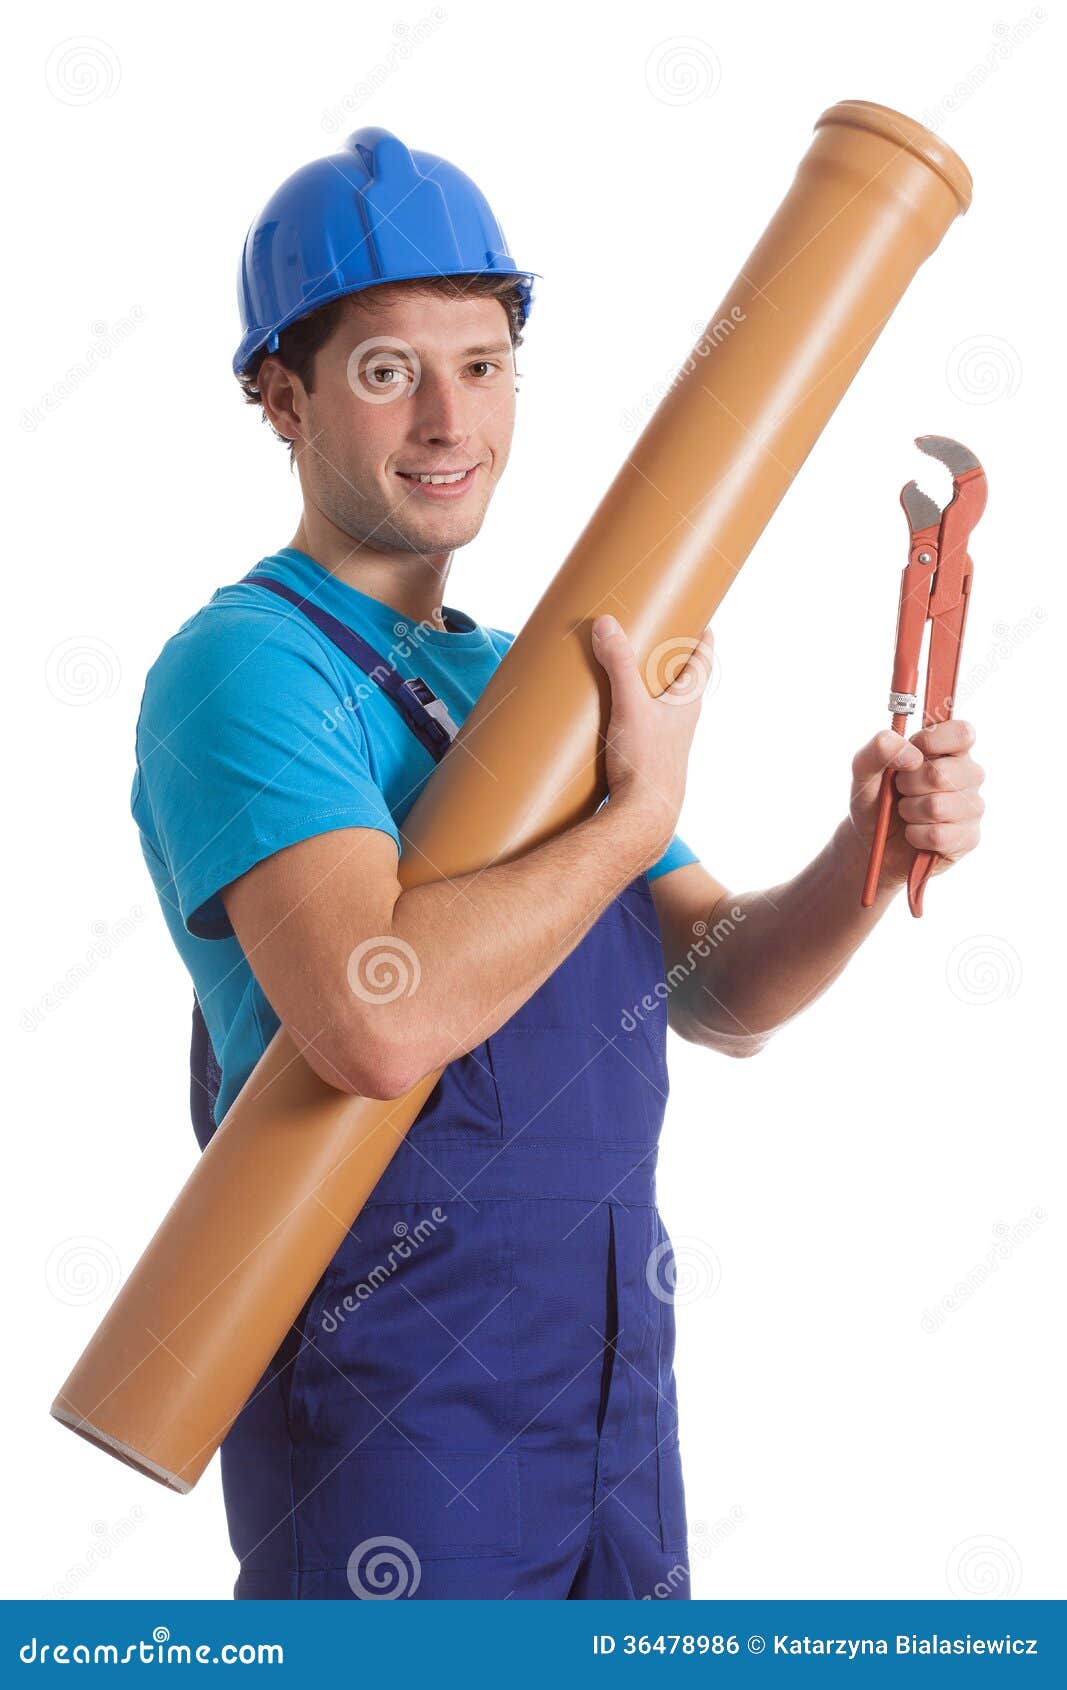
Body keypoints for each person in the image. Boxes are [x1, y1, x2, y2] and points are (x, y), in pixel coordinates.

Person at [131, 129, 985, 1600]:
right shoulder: (246, 670)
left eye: (483, 361)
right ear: (281, 396)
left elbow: (718, 989)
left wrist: (867, 848)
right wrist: (620, 829)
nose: (448, 418)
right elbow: (372, 1014)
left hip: (608, 1395)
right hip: (392, 1415)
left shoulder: (525, 679)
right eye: (390, 370)